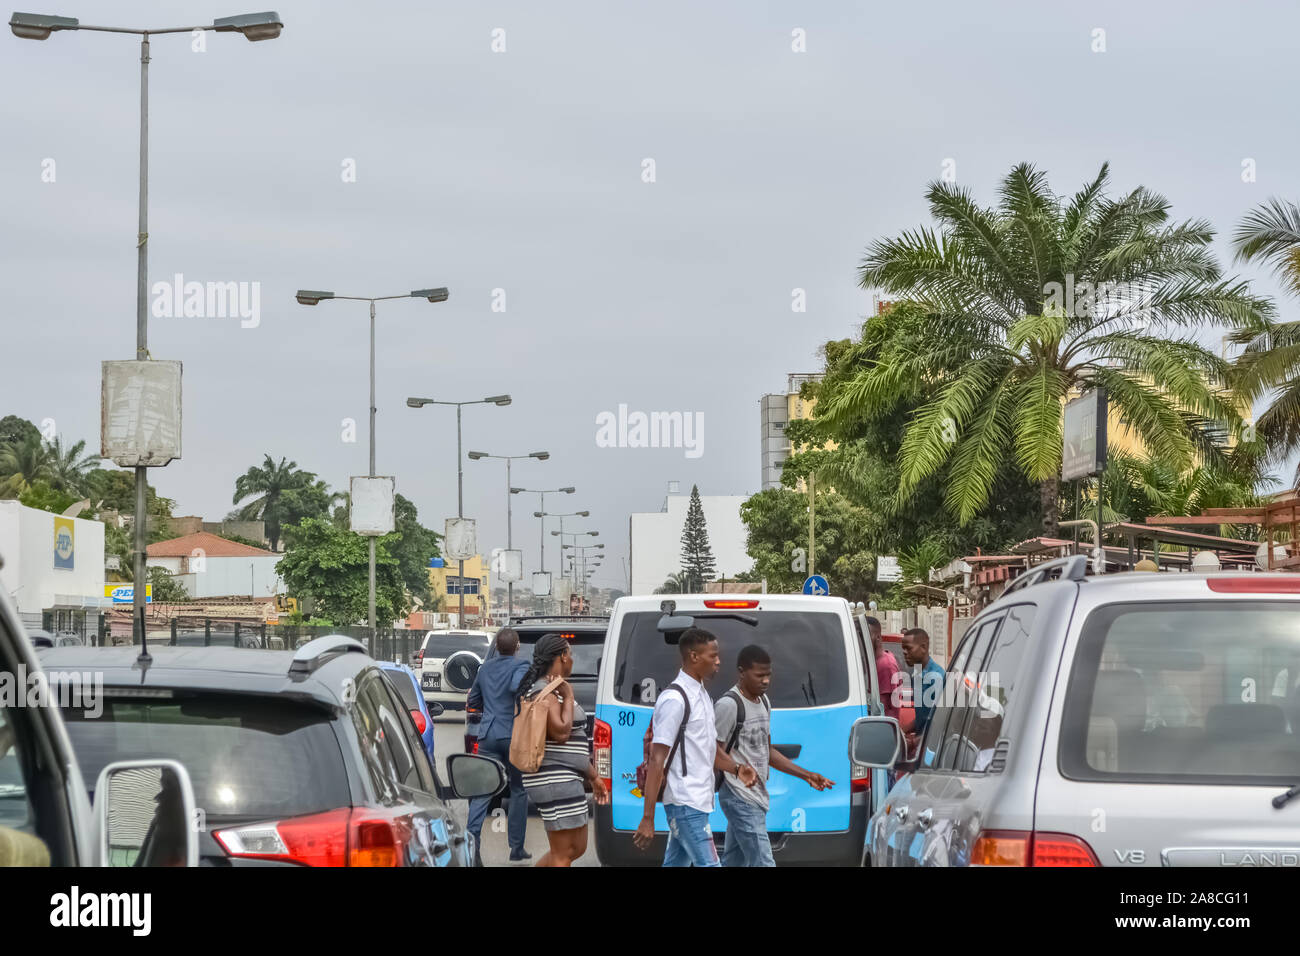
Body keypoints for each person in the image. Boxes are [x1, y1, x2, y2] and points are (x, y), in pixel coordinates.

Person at [633, 627, 757, 867]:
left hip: (697, 801)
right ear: (694, 657)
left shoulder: (703, 696)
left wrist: (737, 769)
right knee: (710, 864)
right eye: (713, 656)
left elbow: (708, 751)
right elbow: (658, 759)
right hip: (684, 803)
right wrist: (648, 817)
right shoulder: (674, 700)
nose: (719, 662)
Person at [715, 645, 834, 866]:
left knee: (734, 859)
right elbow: (712, 751)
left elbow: (767, 751)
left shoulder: (764, 703)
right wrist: (737, 770)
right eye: (759, 675)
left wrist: (807, 775)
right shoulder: (729, 705)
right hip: (738, 795)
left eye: (768, 675)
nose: (766, 681)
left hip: (757, 794)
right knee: (763, 860)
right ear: (742, 672)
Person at [516, 633, 608, 866]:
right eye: (570, 653)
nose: (573, 659)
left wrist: (593, 775)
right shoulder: (544, 691)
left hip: (566, 777)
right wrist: (568, 697)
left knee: (576, 848)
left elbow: (571, 746)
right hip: (553, 780)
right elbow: (561, 732)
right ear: (562, 657)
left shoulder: (553, 688)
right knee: (563, 852)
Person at [465, 628, 531, 863]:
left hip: (488, 735)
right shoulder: (521, 665)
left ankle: (472, 846)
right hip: (513, 736)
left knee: (482, 791)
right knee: (518, 790)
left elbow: (473, 700)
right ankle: (516, 847)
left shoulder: (485, 669)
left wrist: (490, 708)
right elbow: (515, 687)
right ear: (517, 647)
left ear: (496, 647)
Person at [902, 628, 946, 753]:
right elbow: (923, 717)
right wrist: (900, 730)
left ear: (924, 647)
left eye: (908, 648)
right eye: (903, 649)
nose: (904, 653)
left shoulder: (937, 677)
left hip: (933, 751)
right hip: (921, 747)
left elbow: (940, 724)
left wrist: (913, 742)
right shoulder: (917, 674)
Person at [866, 616, 902, 722]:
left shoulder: (885, 666)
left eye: (867, 635)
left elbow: (882, 708)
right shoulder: (877, 661)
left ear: (877, 638)